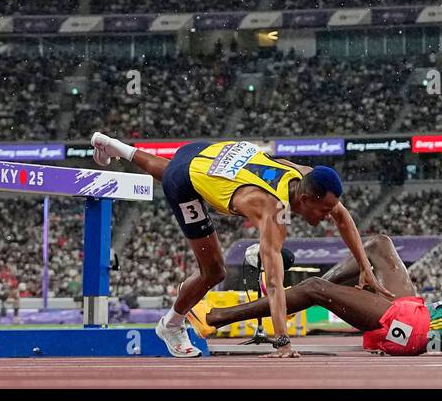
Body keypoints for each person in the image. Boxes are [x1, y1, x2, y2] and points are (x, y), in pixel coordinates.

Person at [91, 132, 390, 358]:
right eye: (323, 210)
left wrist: (365, 267)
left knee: (169, 167)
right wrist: (283, 342)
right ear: (305, 200)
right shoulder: (274, 212)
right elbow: (273, 283)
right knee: (213, 272)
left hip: (202, 152)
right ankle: (170, 324)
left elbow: (343, 216)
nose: (327, 216)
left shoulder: (304, 176)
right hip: (186, 182)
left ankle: (116, 146)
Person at [190, 233, 442, 356]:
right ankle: (291, 295)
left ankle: (214, 319)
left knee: (316, 289)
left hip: (417, 332)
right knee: (379, 245)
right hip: (417, 312)